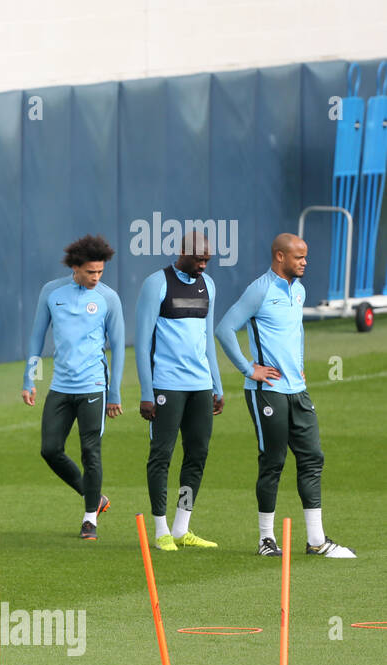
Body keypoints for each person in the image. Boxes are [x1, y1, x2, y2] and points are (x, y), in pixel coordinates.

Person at [216, 233, 355, 558]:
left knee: (312, 458)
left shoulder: (299, 290)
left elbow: (297, 331)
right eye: (299, 257)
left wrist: (300, 366)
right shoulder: (260, 290)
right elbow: (224, 329)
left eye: (305, 256)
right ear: (280, 256)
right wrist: (249, 369)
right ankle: (266, 540)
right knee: (273, 462)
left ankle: (317, 541)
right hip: (268, 392)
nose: (305, 262)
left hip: (298, 391)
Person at [22, 235, 125, 540]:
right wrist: (30, 378)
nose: (96, 277)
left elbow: (119, 347)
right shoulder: (51, 292)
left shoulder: (109, 298)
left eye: (100, 272)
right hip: (60, 387)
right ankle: (94, 496)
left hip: (94, 386)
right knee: (50, 449)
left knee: (90, 452)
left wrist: (114, 392)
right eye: (91, 272)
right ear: (75, 268)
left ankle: (90, 518)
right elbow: (36, 338)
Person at [135, 233, 224, 550]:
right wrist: (147, 392)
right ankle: (160, 529)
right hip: (166, 386)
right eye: (199, 259)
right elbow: (142, 342)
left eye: (207, 260)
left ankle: (180, 527)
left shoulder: (208, 285)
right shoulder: (156, 284)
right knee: (161, 456)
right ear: (183, 252)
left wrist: (217, 385)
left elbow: (208, 338)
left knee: (197, 455)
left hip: (200, 387)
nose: (203, 265)